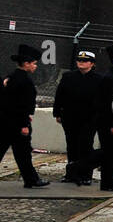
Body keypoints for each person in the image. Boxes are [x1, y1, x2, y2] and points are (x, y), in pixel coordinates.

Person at [70, 43, 113, 189]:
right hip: (107, 122)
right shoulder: (110, 78)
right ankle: (79, 166)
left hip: (112, 120)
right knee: (109, 152)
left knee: (112, 153)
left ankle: (107, 181)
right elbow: (107, 104)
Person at [1, 44, 48, 188]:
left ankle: (31, 179)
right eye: (33, 63)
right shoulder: (25, 81)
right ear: (26, 63)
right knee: (23, 154)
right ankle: (31, 179)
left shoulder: (12, 77)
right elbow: (20, 105)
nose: (35, 66)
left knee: (20, 153)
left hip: (6, 122)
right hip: (17, 123)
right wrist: (24, 125)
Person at [53, 49, 99, 182]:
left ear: (92, 64)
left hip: (89, 119)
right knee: (71, 145)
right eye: (79, 60)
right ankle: (71, 174)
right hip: (70, 117)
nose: (81, 63)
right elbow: (59, 95)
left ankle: (85, 175)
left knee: (85, 146)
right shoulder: (68, 76)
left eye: (85, 61)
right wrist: (57, 112)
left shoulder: (98, 79)